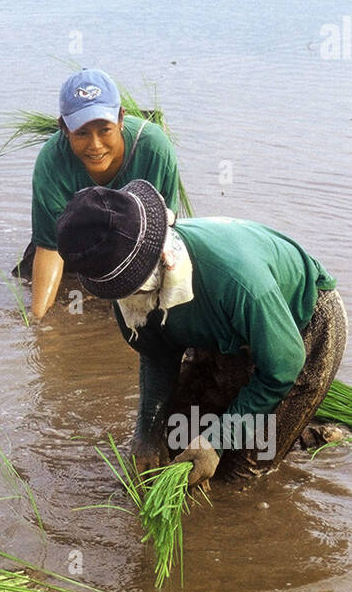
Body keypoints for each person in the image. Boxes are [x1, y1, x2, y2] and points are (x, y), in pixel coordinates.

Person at [55, 180, 348, 485]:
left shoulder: (238, 282)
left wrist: (218, 440)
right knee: (178, 438)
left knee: (241, 473)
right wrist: (146, 434)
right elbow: (157, 357)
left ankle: (317, 433)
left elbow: (282, 370)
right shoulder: (131, 298)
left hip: (303, 325)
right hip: (225, 330)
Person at [24, 68, 181, 320]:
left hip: (138, 243)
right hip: (79, 246)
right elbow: (50, 247)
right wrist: (37, 324)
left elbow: (165, 233)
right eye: (82, 133)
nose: (95, 145)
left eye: (105, 130)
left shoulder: (154, 148)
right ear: (63, 127)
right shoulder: (52, 161)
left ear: (120, 119)